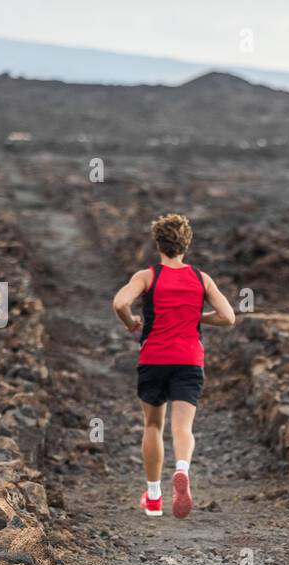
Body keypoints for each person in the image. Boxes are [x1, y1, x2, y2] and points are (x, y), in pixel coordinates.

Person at [112, 213, 235, 518]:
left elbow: (119, 303)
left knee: (153, 425)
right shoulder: (200, 278)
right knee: (183, 427)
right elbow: (229, 317)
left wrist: (131, 323)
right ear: (186, 244)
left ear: (158, 244)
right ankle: (182, 469)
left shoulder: (147, 276)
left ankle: (153, 497)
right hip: (189, 359)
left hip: (154, 358)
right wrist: (197, 315)